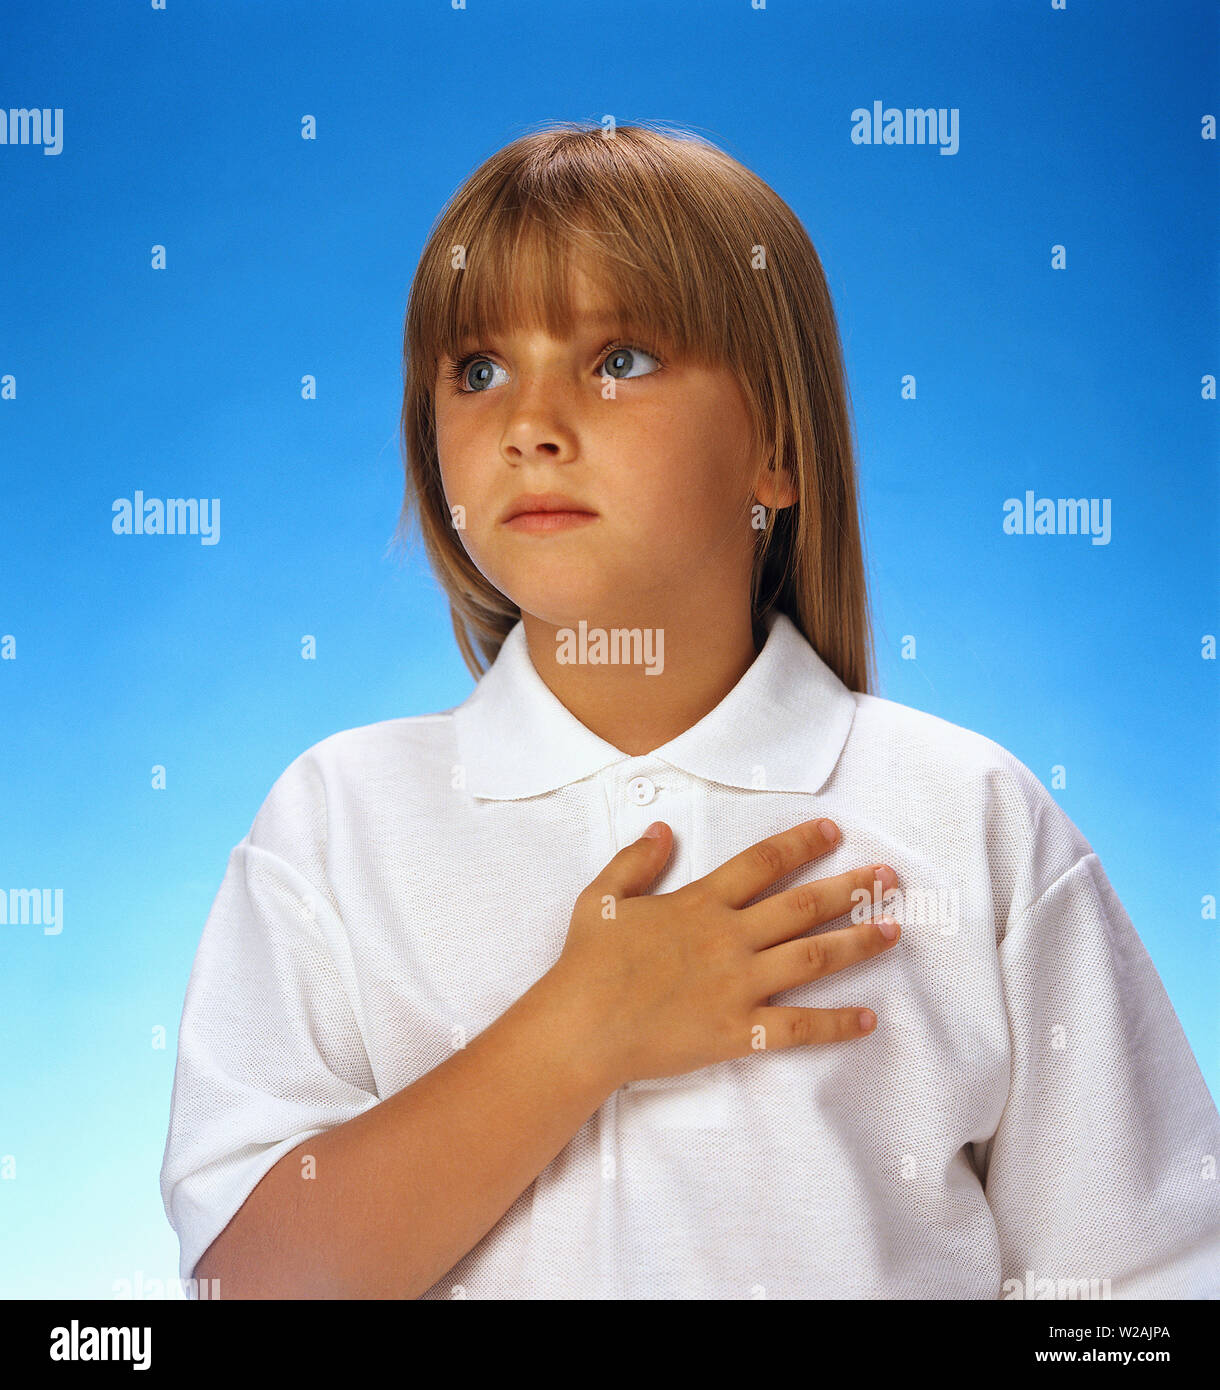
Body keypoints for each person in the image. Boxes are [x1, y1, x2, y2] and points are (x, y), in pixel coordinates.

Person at [159, 120, 1220, 1299]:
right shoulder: (337, 821)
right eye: (476, 370)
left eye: (618, 359)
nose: (530, 423)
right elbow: (253, 1282)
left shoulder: (966, 816)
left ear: (775, 447)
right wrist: (580, 1031)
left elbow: (1149, 1286)